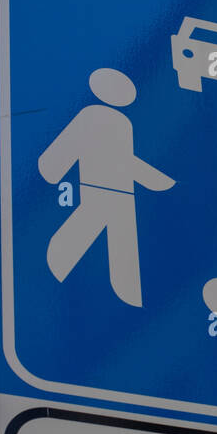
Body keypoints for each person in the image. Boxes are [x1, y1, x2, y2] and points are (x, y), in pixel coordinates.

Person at [38, 68, 174, 307]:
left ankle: (131, 299)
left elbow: (126, 160)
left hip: (121, 192)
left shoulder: (123, 124)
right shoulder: (91, 116)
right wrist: (52, 169)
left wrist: (155, 179)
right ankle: (54, 274)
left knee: (123, 244)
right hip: (99, 187)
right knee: (84, 231)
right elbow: (68, 144)